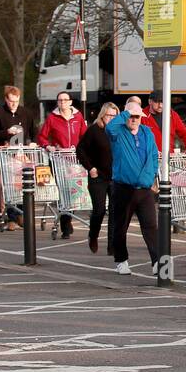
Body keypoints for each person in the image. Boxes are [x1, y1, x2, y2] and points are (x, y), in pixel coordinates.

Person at [105, 102, 160, 275]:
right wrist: (125, 113)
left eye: (137, 116)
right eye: (131, 116)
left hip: (144, 189)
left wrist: (149, 177)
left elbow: (153, 156)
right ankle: (121, 260)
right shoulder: (118, 132)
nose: (134, 119)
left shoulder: (147, 132)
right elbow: (109, 128)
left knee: (151, 226)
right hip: (123, 188)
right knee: (120, 226)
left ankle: (157, 262)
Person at [38, 92, 89, 237]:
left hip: (74, 159)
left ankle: (68, 218)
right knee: (64, 192)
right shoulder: (52, 118)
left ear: (70, 102)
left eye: (65, 100)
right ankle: (65, 225)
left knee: (73, 192)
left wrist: (84, 149)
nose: (62, 103)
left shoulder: (78, 117)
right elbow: (42, 137)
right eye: (59, 100)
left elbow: (84, 136)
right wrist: (49, 146)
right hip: (59, 160)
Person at [77, 103, 117, 254]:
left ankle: (112, 246)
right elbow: (80, 150)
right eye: (108, 115)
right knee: (99, 210)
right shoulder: (94, 130)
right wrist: (90, 168)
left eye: (114, 116)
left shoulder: (118, 132)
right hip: (98, 176)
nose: (111, 118)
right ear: (102, 115)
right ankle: (93, 235)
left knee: (114, 212)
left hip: (115, 177)